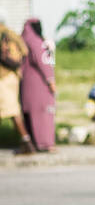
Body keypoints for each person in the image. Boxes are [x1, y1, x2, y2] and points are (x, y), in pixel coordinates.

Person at [0, 11, 35, 155]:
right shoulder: (12, 34)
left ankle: (27, 143)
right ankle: (26, 143)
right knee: (10, 109)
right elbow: (25, 52)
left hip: (4, 77)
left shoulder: (2, 35)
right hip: (13, 76)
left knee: (11, 111)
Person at [19, 19, 56, 152]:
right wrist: (50, 80)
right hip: (38, 85)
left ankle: (33, 143)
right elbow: (43, 62)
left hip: (25, 85)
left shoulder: (23, 39)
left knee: (30, 114)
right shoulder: (35, 41)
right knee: (43, 113)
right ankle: (46, 143)